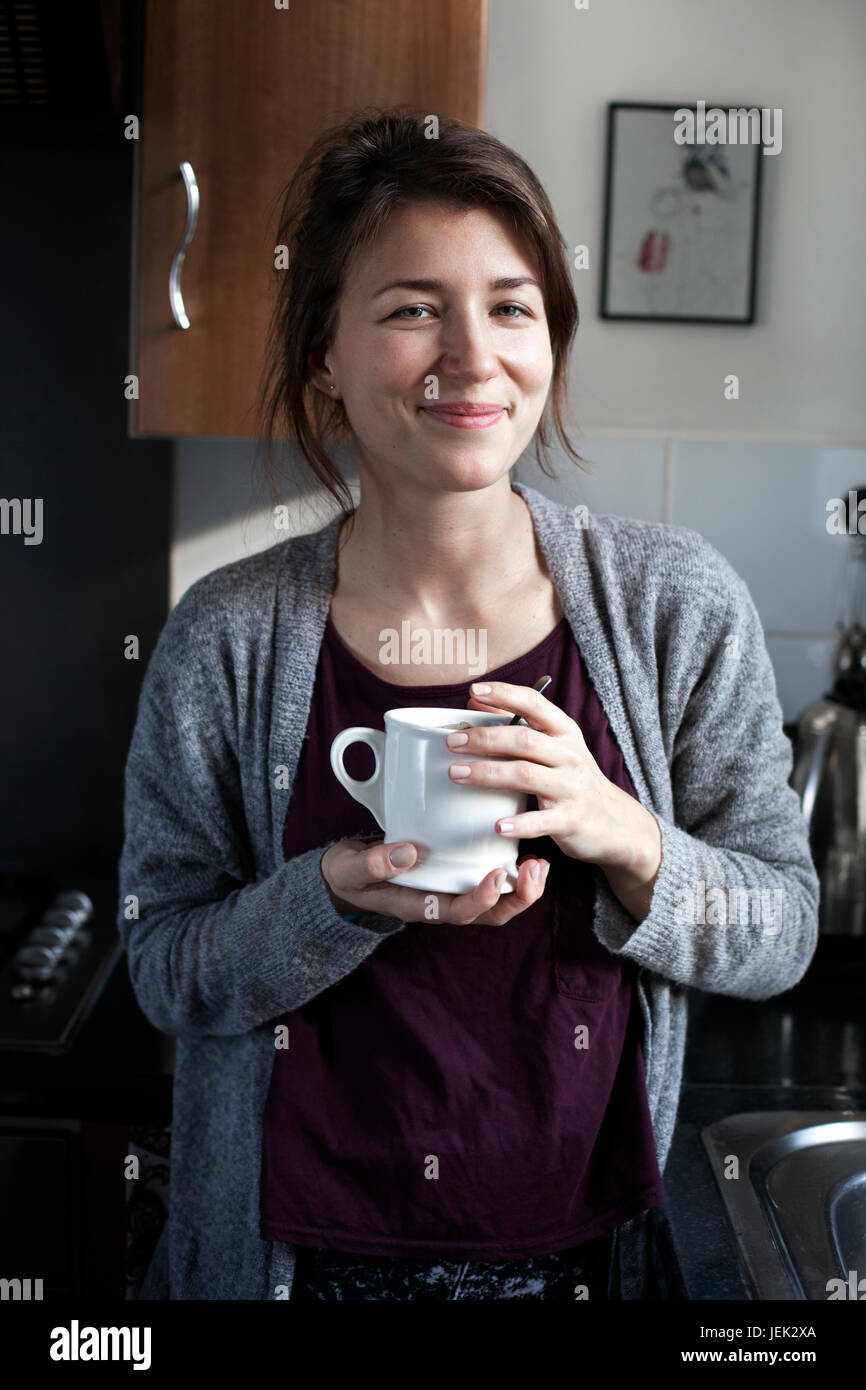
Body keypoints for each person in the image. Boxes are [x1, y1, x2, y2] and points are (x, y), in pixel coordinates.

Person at [118, 109, 819, 1301]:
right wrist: (328, 899)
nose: (470, 354)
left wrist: (624, 836)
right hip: (296, 1270)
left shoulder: (671, 603)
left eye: (508, 305)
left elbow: (781, 931)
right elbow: (164, 964)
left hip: (585, 1264)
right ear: (324, 359)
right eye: (408, 309)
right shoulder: (226, 636)